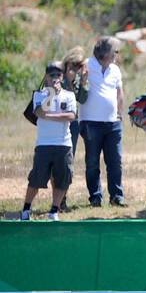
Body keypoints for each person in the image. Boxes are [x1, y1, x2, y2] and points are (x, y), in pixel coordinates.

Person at [23, 62, 77, 221]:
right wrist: (52, 94)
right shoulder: (39, 94)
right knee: (36, 178)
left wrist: (50, 117)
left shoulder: (69, 95)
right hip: (44, 144)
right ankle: (26, 209)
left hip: (63, 144)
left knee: (62, 179)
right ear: (46, 76)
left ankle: (54, 210)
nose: (55, 78)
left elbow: (71, 116)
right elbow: (39, 112)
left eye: (58, 75)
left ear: (63, 77)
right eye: (52, 75)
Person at [81, 36, 127, 209]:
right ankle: (95, 197)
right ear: (106, 53)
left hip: (113, 124)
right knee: (92, 162)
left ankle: (116, 196)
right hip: (91, 123)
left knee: (115, 161)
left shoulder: (115, 69)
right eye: (115, 51)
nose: (117, 54)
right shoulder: (86, 64)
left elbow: (119, 93)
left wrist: (119, 115)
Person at [59, 47, 88, 209]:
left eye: (80, 66)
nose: (78, 70)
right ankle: (59, 197)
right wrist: (66, 81)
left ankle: (62, 198)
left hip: (73, 124)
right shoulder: (57, 76)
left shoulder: (76, 80)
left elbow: (82, 99)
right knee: (57, 160)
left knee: (68, 161)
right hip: (58, 123)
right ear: (69, 63)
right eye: (76, 65)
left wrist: (83, 81)